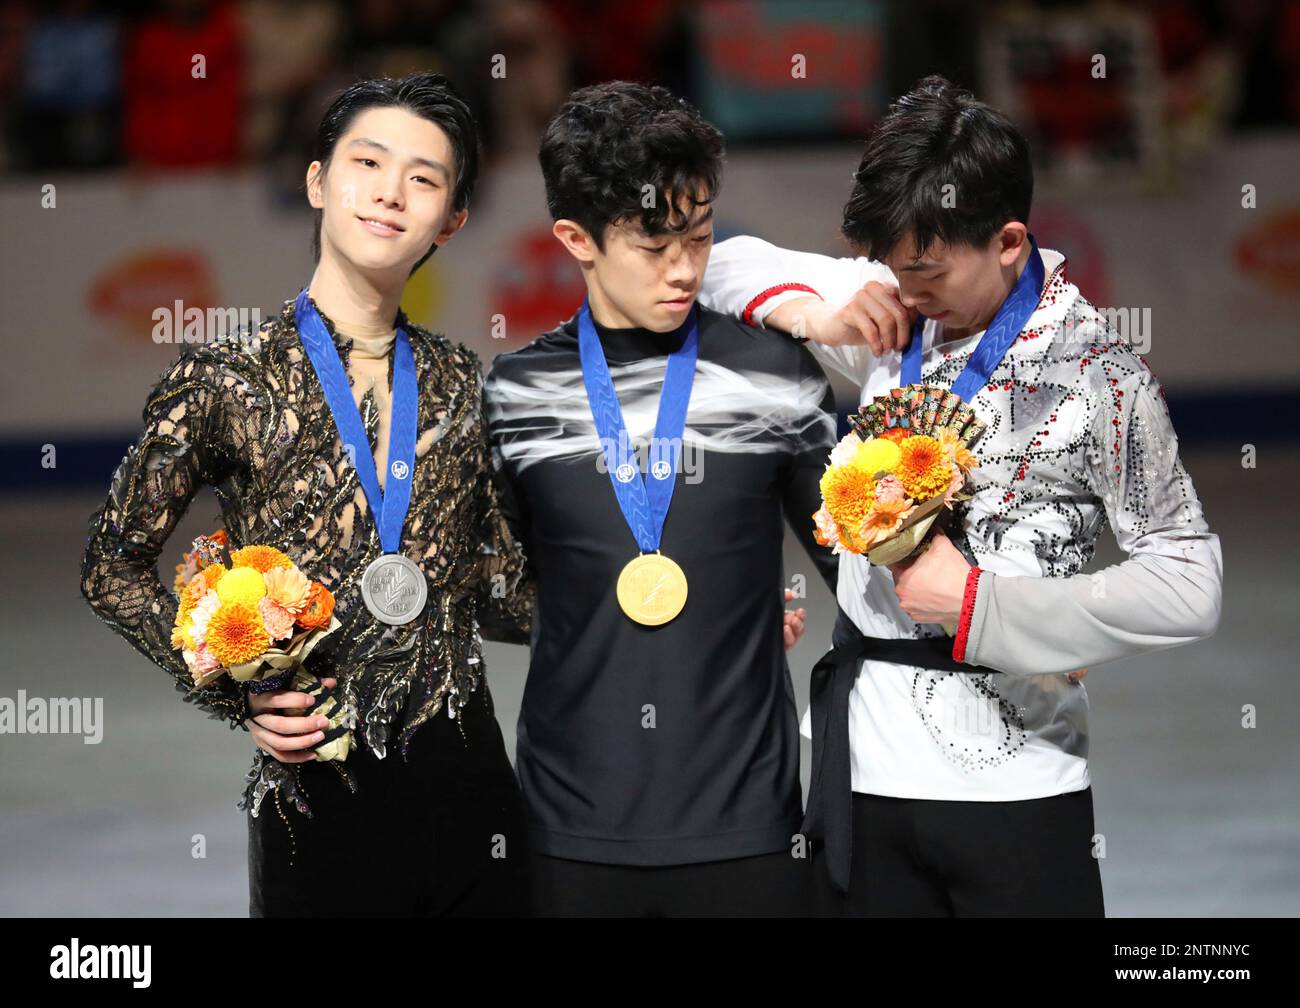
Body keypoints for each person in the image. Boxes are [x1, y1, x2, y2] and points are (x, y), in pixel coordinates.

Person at [700, 75, 1223, 916]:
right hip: (860, 776)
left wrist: (986, 606)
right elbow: (715, 264)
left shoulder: (1097, 373)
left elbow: (1190, 583)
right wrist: (816, 312)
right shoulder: (890, 313)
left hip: (1017, 786)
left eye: (927, 271)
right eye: (890, 267)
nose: (906, 289)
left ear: (1010, 241)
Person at [79, 72, 535, 917]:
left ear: (454, 219)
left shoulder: (461, 383)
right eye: (368, 162)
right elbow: (112, 564)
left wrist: (679, 598)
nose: (392, 192)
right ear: (318, 181)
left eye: (425, 178)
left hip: (471, 792)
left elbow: (501, 597)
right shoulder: (224, 378)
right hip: (313, 797)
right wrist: (230, 681)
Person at [482, 81, 832, 917]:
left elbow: (862, 561)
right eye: (654, 243)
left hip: (749, 825)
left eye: (700, 237)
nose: (684, 269)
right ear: (577, 239)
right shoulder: (516, 393)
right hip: (569, 828)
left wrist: (1002, 620)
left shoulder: (776, 375)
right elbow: (496, 592)